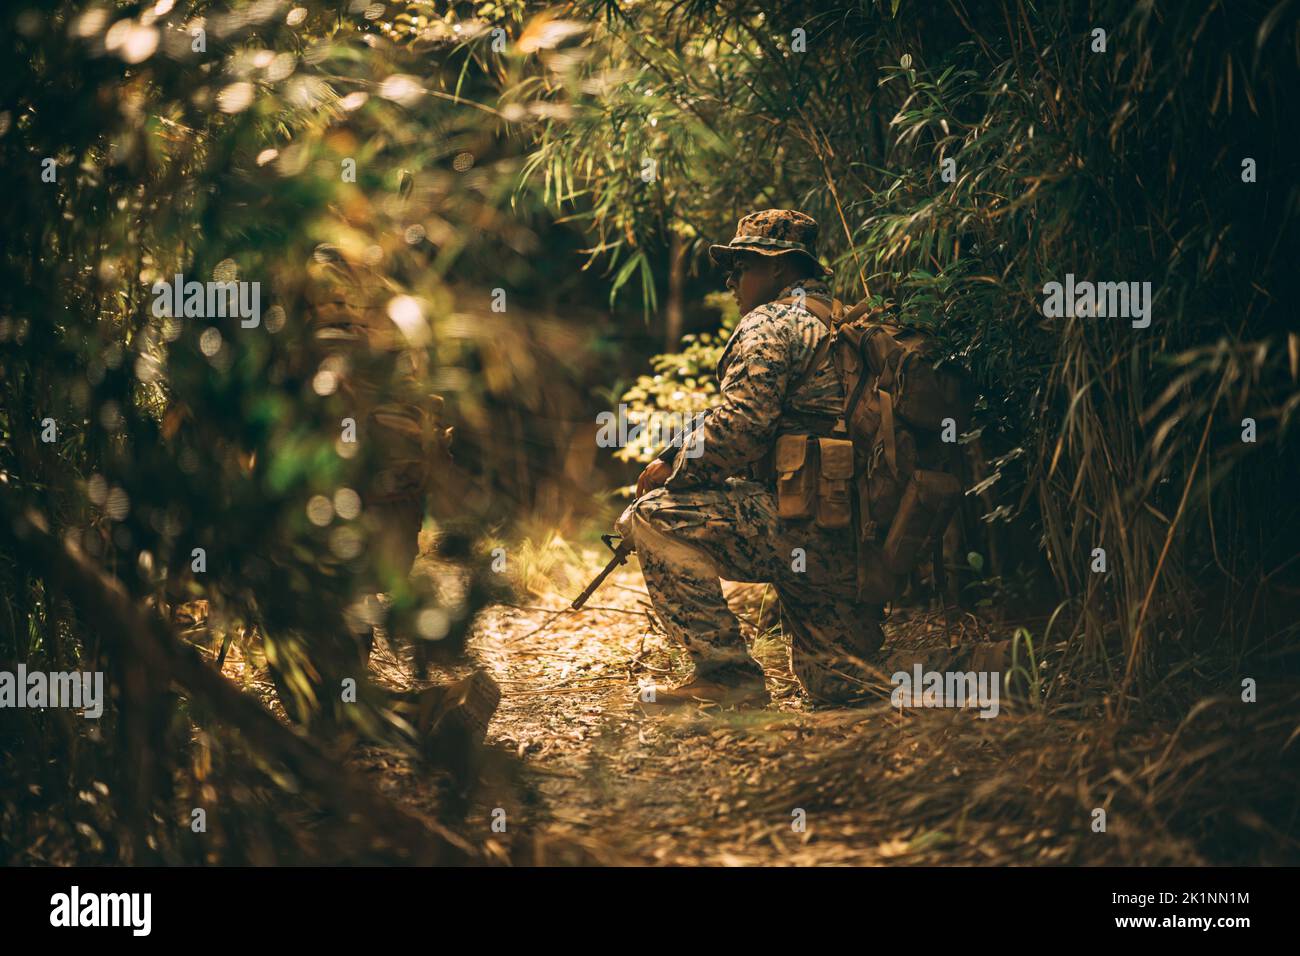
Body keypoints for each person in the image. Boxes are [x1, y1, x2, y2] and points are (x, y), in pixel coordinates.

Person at [616, 209, 884, 708]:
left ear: (780, 267)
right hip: (850, 531)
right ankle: (998, 670)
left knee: (653, 518)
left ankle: (726, 675)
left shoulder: (771, 322)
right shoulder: (841, 321)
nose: (731, 278)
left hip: (798, 523)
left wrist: (670, 472)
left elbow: (743, 425)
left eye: (742, 265)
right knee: (845, 685)